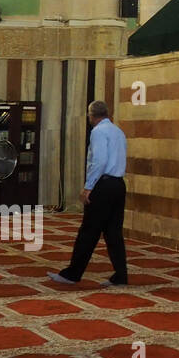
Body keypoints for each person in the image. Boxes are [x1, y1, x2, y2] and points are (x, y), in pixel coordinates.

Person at [49, 100, 128, 286]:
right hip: (118, 185)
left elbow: (99, 162)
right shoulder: (118, 131)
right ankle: (121, 276)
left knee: (88, 231)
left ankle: (72, 274)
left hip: (103, 185)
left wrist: (88, 187)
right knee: (113, 233)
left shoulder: (98, 132)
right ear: (107, 113)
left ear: (91, 116)